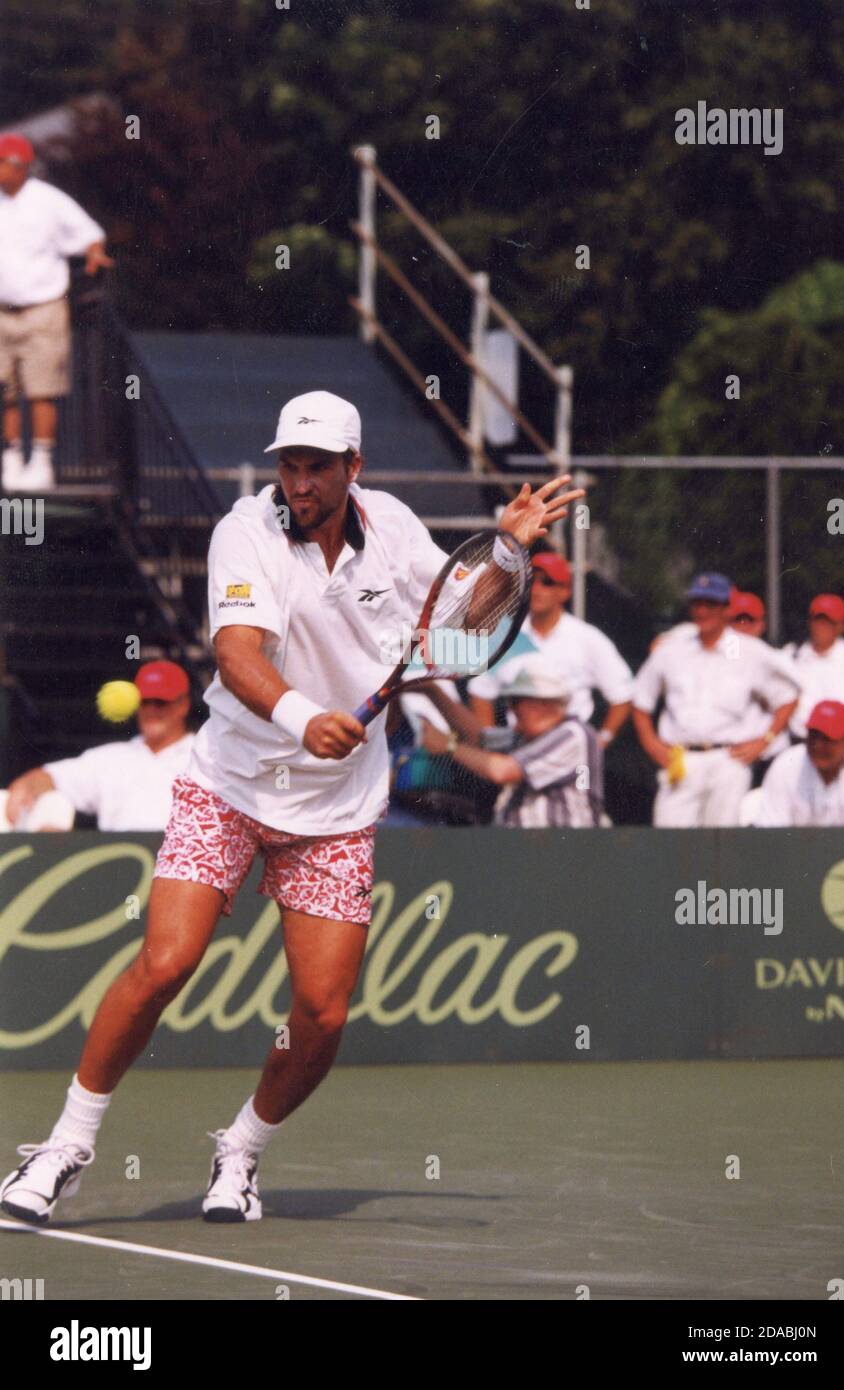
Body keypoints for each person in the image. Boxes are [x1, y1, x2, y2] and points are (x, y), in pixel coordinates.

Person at [0, 389, 582, 1227]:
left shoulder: (391, 528)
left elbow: (458, 637)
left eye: (316, 467)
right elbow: (235, 655)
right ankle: (64, 1146)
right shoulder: (245, 530)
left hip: (339, 807)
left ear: (353, 468)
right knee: (166, 962)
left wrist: (503, 555)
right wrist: (304, 718)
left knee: (320, 1012)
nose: (298, 482)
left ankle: (240, 1149)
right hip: (231, 783)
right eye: (288, 465)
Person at [631, 572, 800, 827]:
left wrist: (764, 740)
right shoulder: (673, 649)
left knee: (722, 842)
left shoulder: (749, 652)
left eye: (711, 604)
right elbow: (641, 699)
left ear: (726, 609)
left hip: (728, 759)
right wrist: (650, 741)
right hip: (681, 757)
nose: (702, 611)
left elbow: (787, 698)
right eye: (697, 604)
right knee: (669, 839)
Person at [0, 132, 113, 493]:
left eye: (5, 163)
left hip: (43, 309)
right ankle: (12, 458)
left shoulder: (49, 201)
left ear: (21, 166)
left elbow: (89, 232)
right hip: (1, 312)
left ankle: (42, 462)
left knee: (41, 387)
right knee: (4, 388)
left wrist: (94, 253)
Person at [467, 551, 633, 754]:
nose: (536, 589)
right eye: (531, 581)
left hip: (570, 749)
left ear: (564, 592)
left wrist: (600, 742)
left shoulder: (588, 638)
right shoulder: (506, 636)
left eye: (547, 582)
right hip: (519, 750)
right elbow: (480, 692)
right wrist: (491, 747)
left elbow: (622, 696)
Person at [4, 662, 194, 831]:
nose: (151, 710)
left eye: (160, 702)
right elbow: (50, 778)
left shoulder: (207, 753)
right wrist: (27, 786)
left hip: (190, 864)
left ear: (183, 705)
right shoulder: (112, 758)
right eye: (145, 702)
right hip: (126, 864)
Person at [419, 654, 603, 827]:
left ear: (541, 704)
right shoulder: (531, 736)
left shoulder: (573, 733)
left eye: (515, 701)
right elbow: (480, 738)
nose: (511, 708)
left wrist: (449, 746)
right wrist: (432, 691)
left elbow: (503, 770)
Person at [757, 701, 844, 826]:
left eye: (827, 739)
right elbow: (771, 828)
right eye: (813, 736)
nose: (818, 745)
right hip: (794, 845)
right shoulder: (787, 764)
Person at [783, 594, 844, 741]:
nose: (821, 627)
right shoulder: (791, 655)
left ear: (841, 626)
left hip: (837, 743)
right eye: (817, 620)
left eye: (828, 622)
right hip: (797, 740)